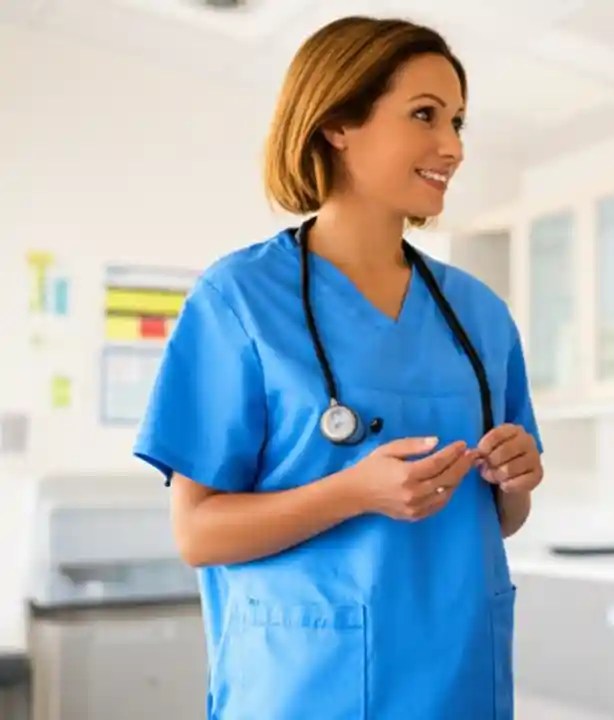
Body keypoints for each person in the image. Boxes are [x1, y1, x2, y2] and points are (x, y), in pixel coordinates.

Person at [132, 16, 544, 720]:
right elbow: (198, 532)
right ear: (337, 124)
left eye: (458, 122)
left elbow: (498, 520)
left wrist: (516, 478)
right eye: (425, 116)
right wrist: (353, 492)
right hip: (304, 686)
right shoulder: (238, 301)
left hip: (458, 682)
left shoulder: (479, 315)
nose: (452, 146)